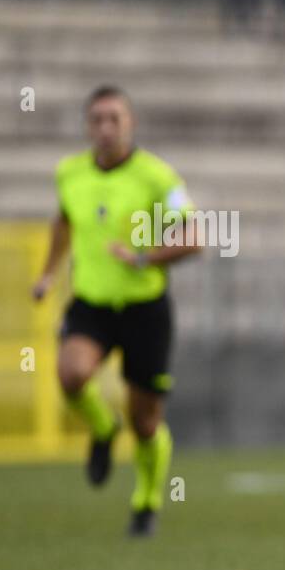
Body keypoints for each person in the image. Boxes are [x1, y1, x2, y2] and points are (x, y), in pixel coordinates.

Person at [32, 86, 200, 537]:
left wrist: (143, 258)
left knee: (146, 422)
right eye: (98, 120)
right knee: (70, 374)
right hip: (91, 304)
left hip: (145, 308)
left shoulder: (157, 177)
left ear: (131, 124)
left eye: (115, 119)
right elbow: (64, 220)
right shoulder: (70, 174)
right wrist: (48, 273)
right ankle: (103, 428)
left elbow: (194, 236)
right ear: (88, 126)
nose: (106, 128)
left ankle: (146, 499)